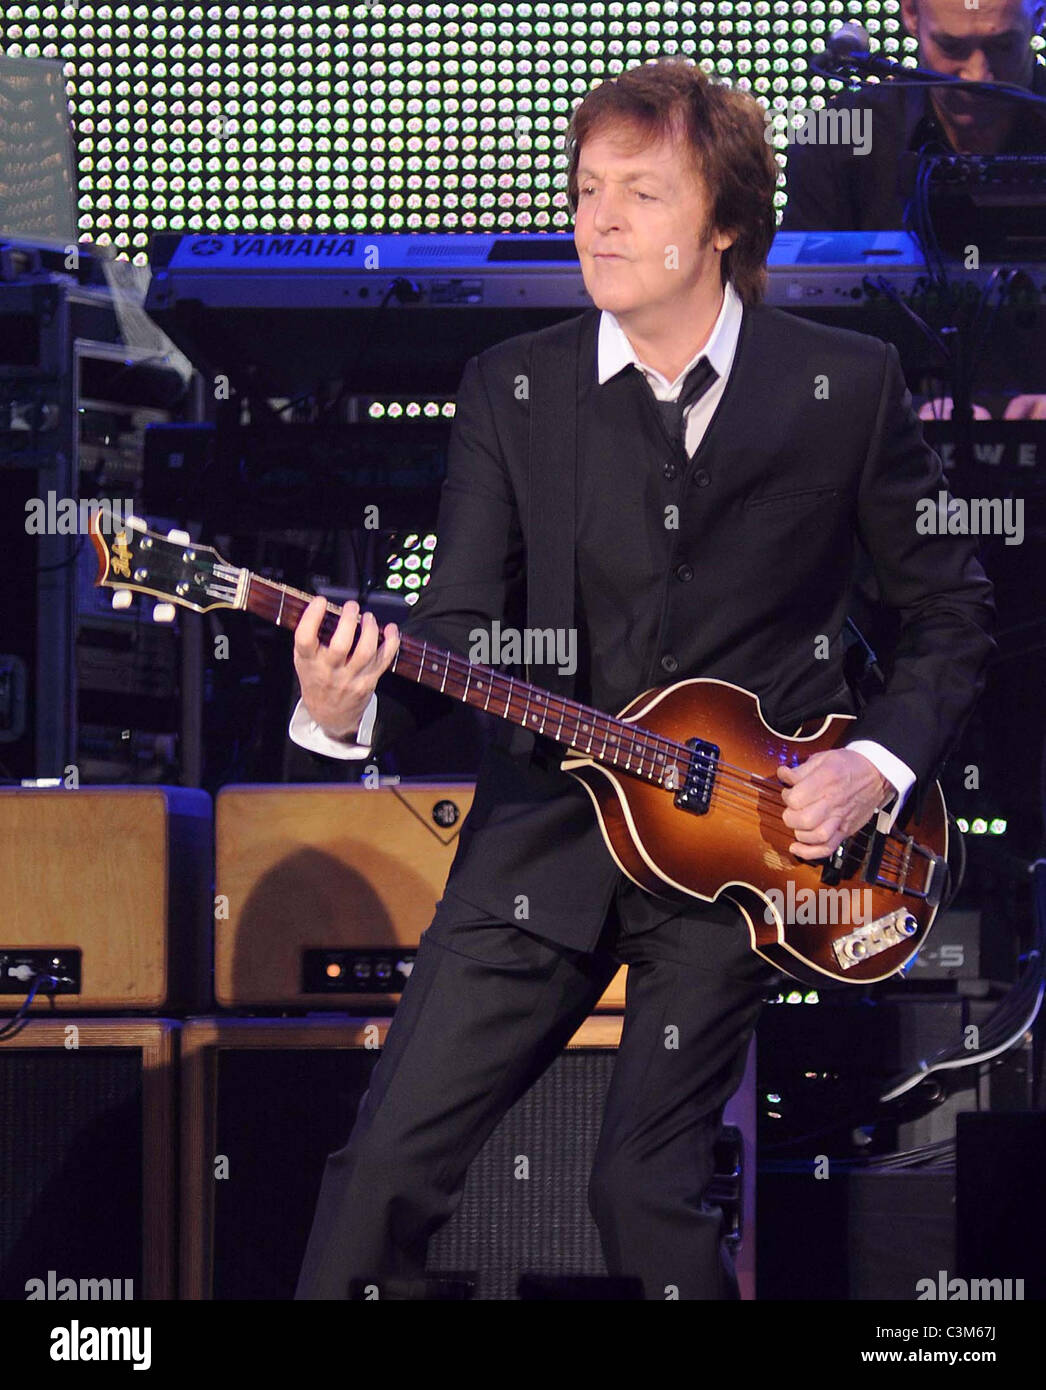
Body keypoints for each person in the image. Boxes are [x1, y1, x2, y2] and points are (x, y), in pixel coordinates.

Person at [288, 57, 995, 1301]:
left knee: (643, 1191)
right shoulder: (513, 389)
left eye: (641, 193)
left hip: (738, 856)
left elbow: (950, 606)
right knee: (379, 1171)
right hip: (542, 841)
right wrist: (342, 711)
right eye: (584, 190)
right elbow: (456, 624)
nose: (598, 220)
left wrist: (871, 766)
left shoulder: (842, 389)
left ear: (721, 223)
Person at [781, 0, 1046, 234]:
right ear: (911, 14)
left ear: (1040, 17)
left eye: (1002, 46)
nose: (976, 75)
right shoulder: (836, 137)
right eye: (951, 46)